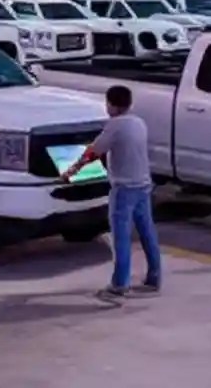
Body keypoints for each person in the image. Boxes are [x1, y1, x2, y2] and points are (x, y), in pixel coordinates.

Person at [60, 84, 161, 302]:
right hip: (143, 185)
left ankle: (119, 285)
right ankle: (154, 278)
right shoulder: (139, 123)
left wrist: (71, 171)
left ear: (112, 105)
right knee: (147, 232)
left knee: (121, 238)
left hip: (124, 189)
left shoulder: (115, 126)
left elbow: (92, 152)